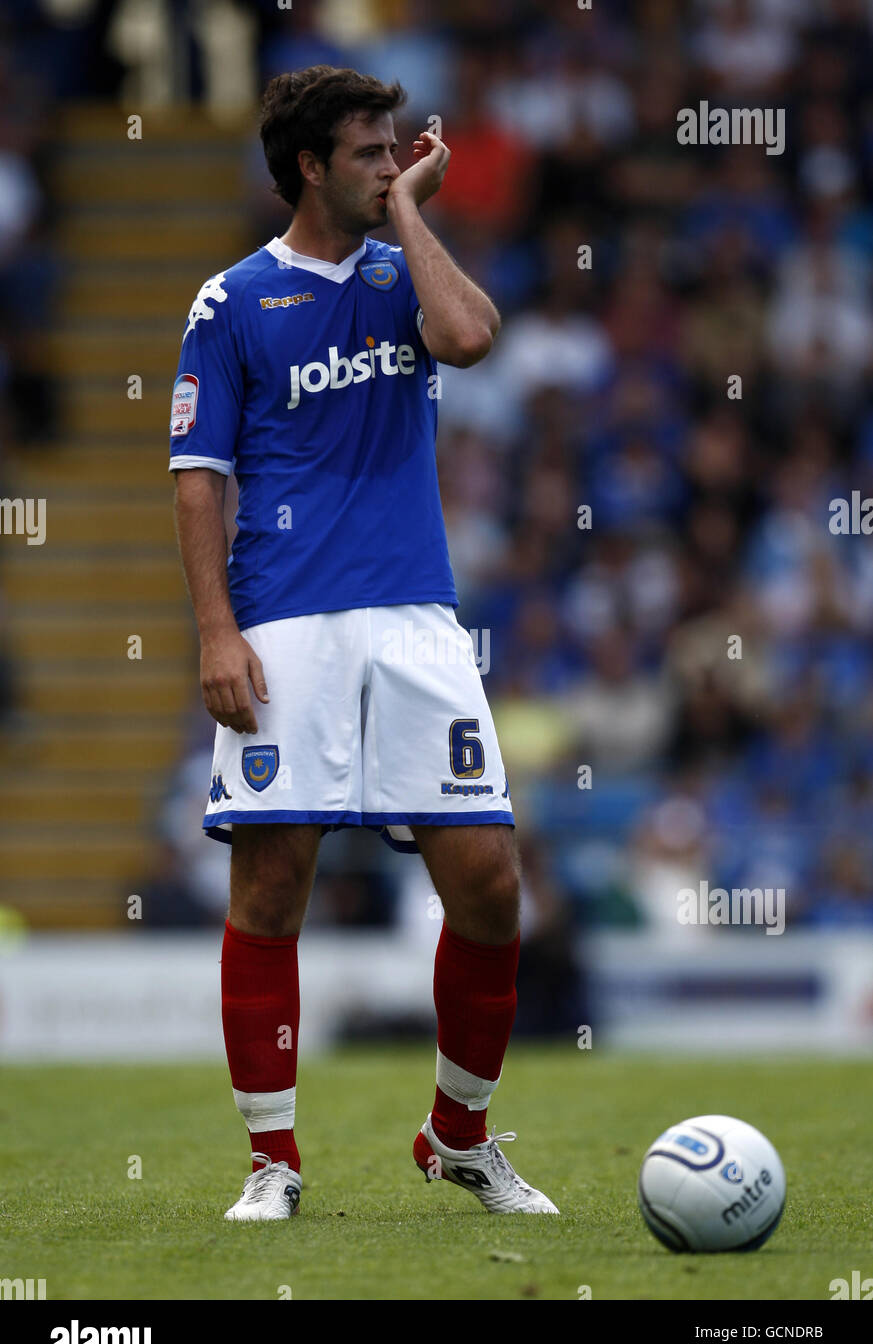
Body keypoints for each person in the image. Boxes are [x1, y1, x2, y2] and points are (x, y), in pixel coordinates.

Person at [169, 65, 557, 1220]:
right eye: (372, 152)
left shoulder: (403, 273)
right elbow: (199, 479)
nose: (395, 163)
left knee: (488, 882)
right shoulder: (230, 301)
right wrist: (215, 631)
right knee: (272, 885)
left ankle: (459, 1135)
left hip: (416, 619)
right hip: (284, 620)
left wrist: (408, 214)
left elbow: (472, 336)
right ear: (308, 166)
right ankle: (272, 1162)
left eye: (397, 148)